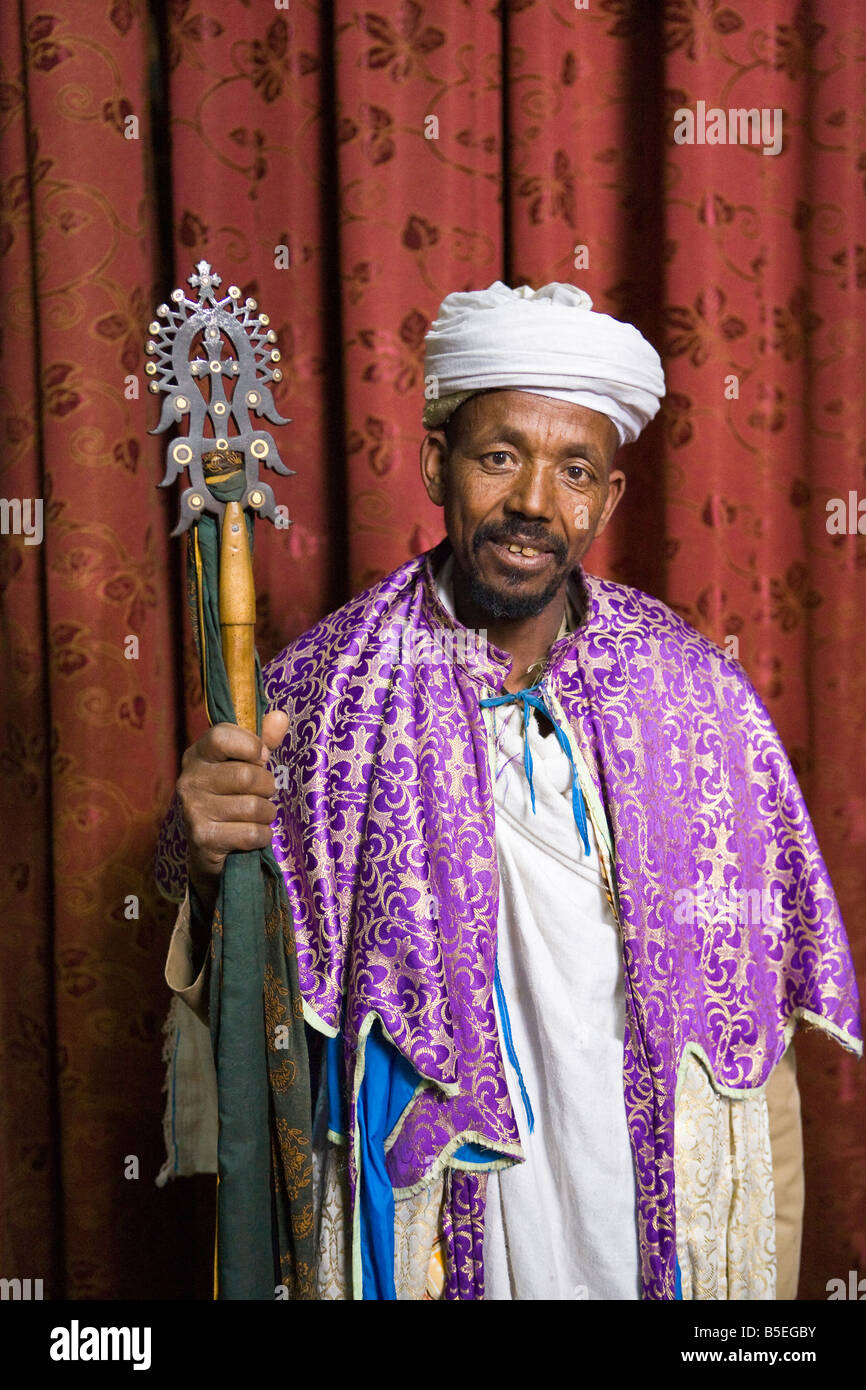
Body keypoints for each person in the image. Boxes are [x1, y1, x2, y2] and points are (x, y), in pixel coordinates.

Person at [156, 281, 862, 1301]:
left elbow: (754, 1063)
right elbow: (246, 984)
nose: (534, 499)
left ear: (607, 500)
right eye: (499, 456)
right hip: (432, 1220)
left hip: (642, 1213)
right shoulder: (322, 691)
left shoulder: (698, 696)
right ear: (436, 461)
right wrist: (212, 852)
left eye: (574, 469)